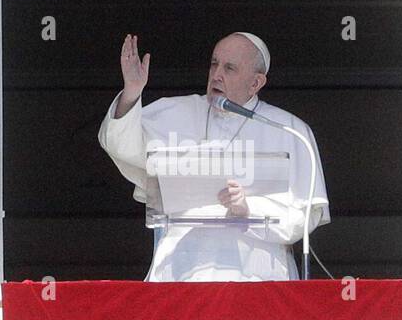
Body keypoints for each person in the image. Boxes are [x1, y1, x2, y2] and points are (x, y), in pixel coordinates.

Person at [98, 32, 329, 281]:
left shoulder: (289, 130)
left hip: (258, 276)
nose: (217, 74)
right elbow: (120, 144)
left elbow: (305, 216)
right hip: (182, 271)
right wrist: (132, 93)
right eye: (214, 63)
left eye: (229, 68)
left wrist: (248, 208)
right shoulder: (177, 111)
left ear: (256, 83)